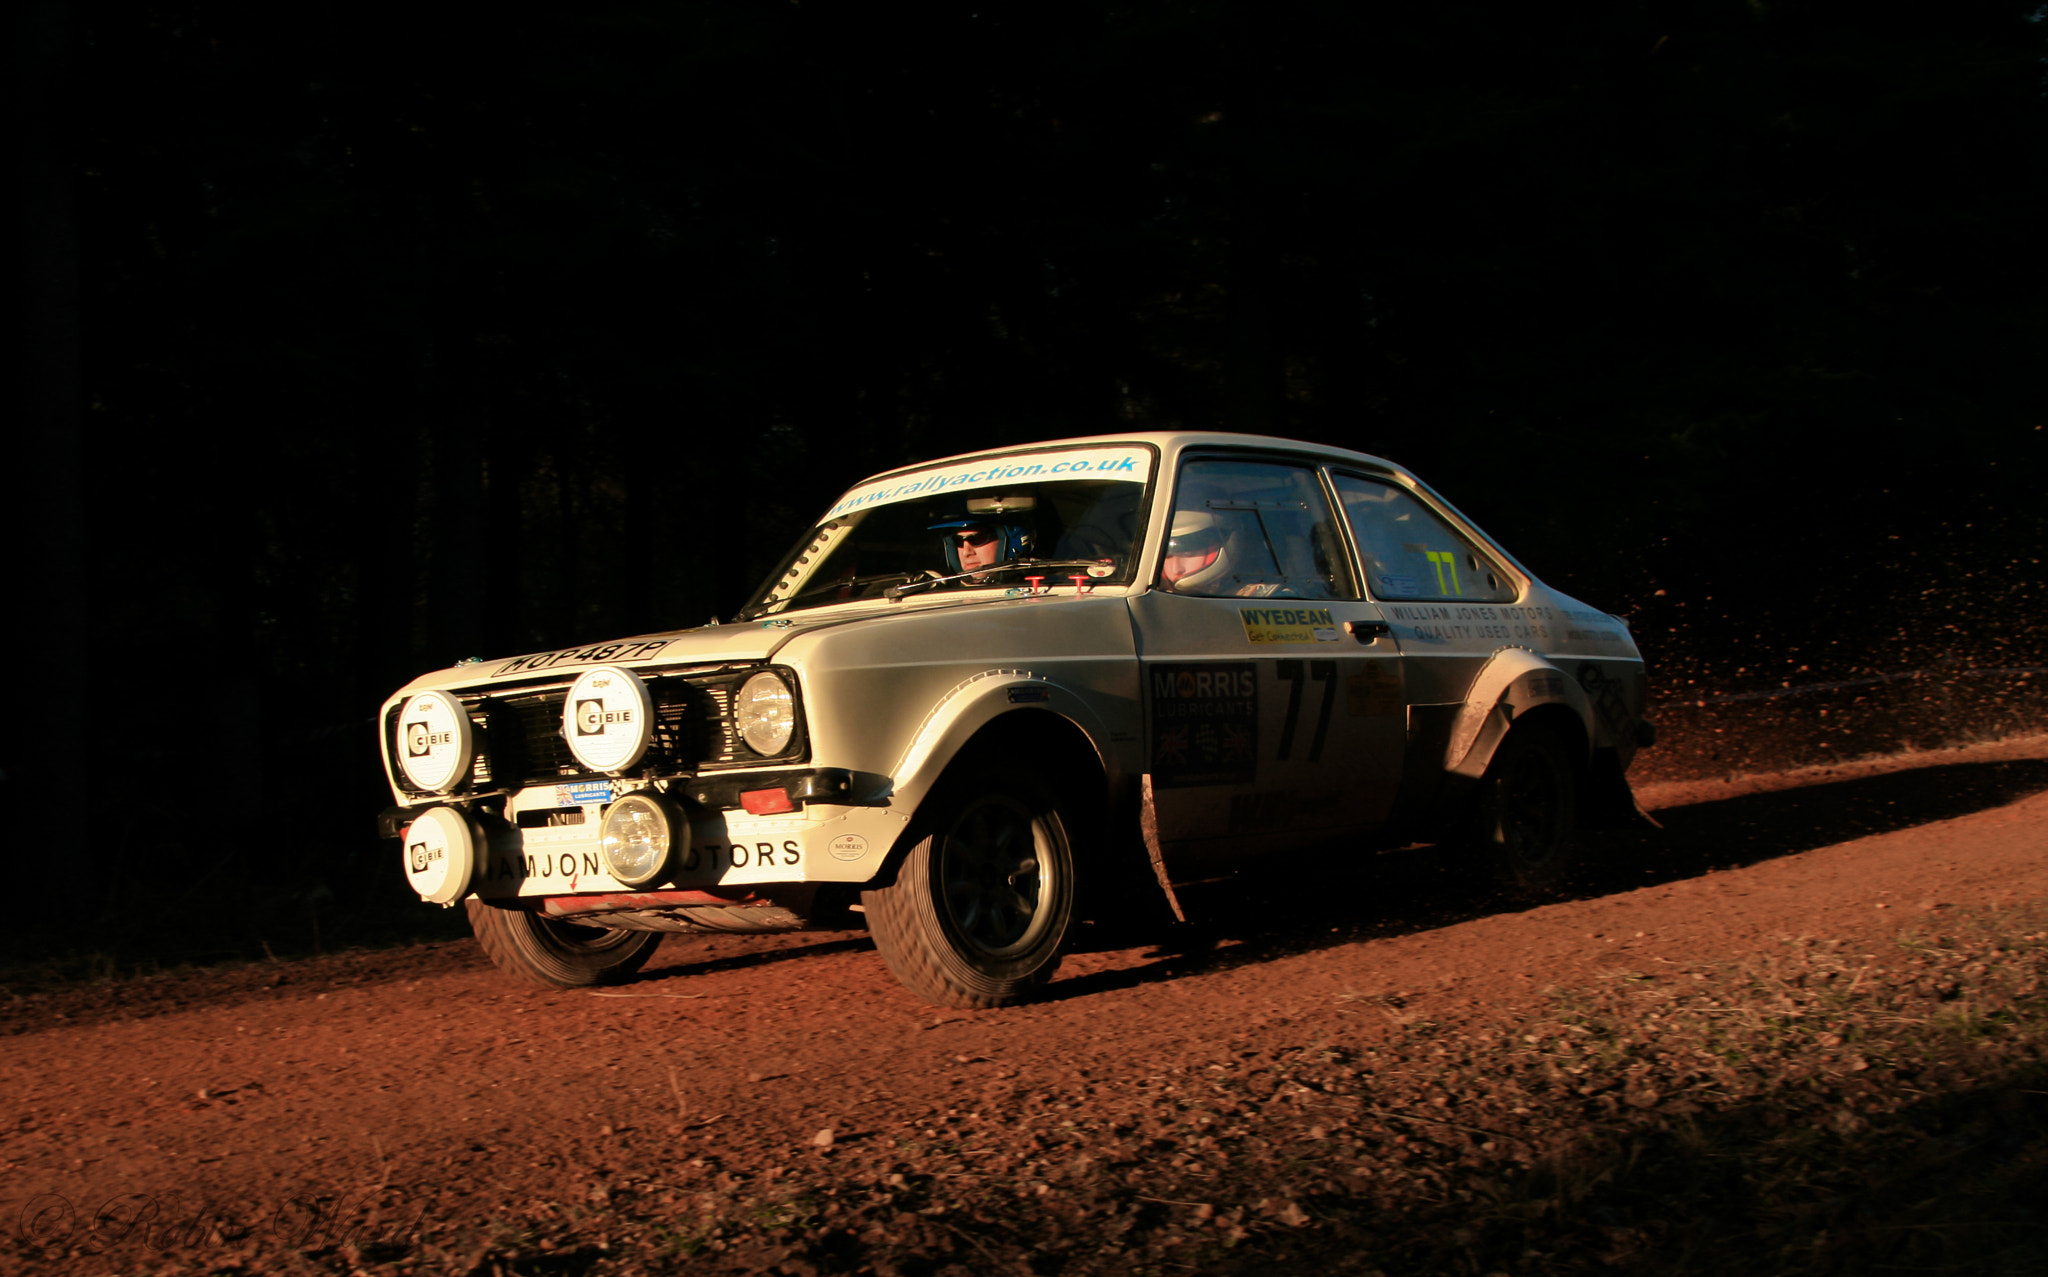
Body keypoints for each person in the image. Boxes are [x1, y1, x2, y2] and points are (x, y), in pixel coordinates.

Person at [928, 495, 1036, 583]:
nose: (966, 552)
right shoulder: (937, 594)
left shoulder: (1044, 590)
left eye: (978, 539)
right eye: (958, 541)